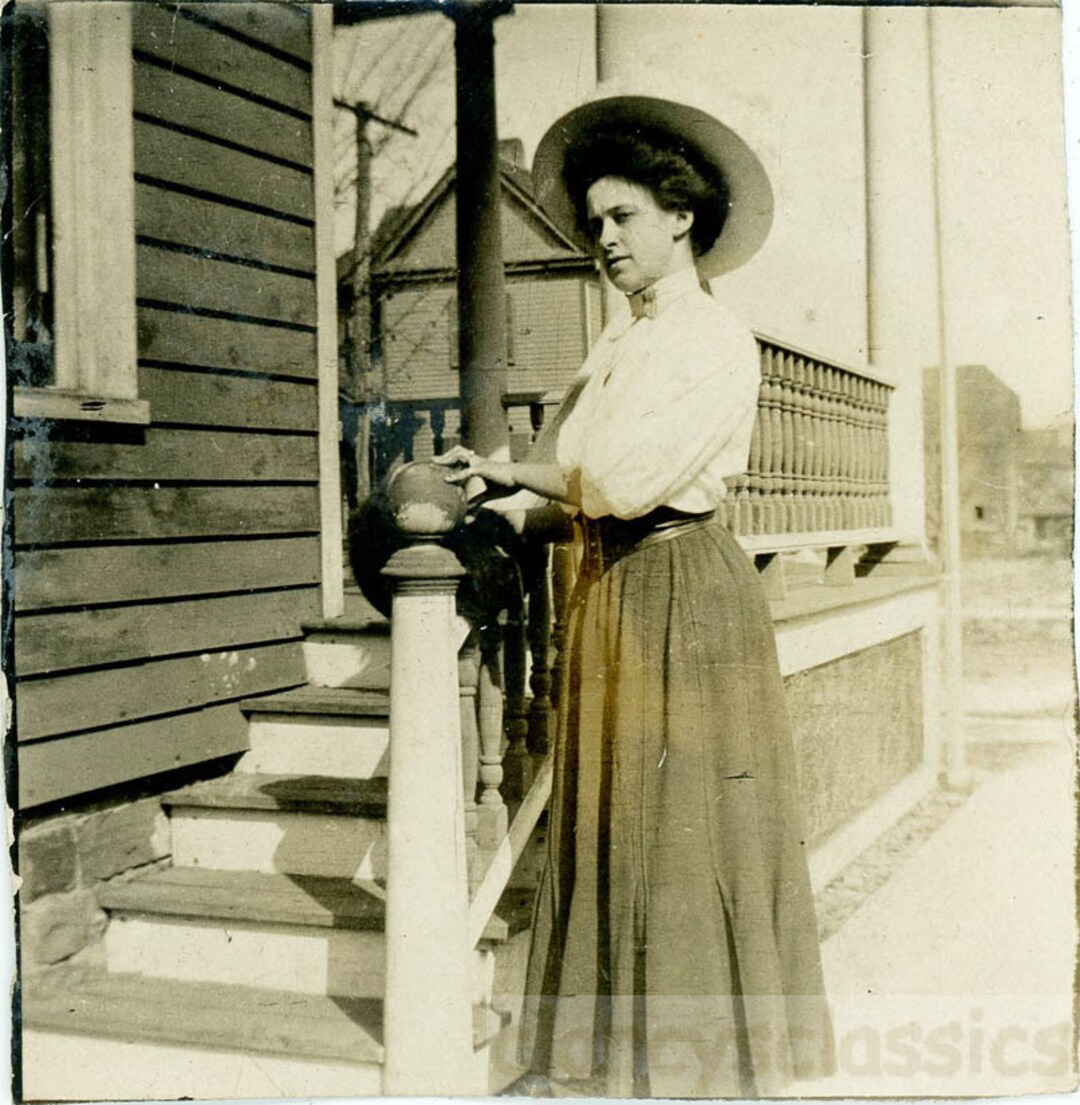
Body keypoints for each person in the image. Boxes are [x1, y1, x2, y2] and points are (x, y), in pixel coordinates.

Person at [436, 90, 834, 1098]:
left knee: (686, 833)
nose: (603, 239)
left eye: (621, 218)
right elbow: (575, 471)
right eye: (595, 223)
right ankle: (616, 1069)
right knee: (614, 819)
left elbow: (616, 477)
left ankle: (699, 1073)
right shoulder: (619, 343)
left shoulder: (711, 340)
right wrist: (504, 488)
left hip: (686, 597)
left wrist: (521, 471)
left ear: (680, 217)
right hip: (614, 590)